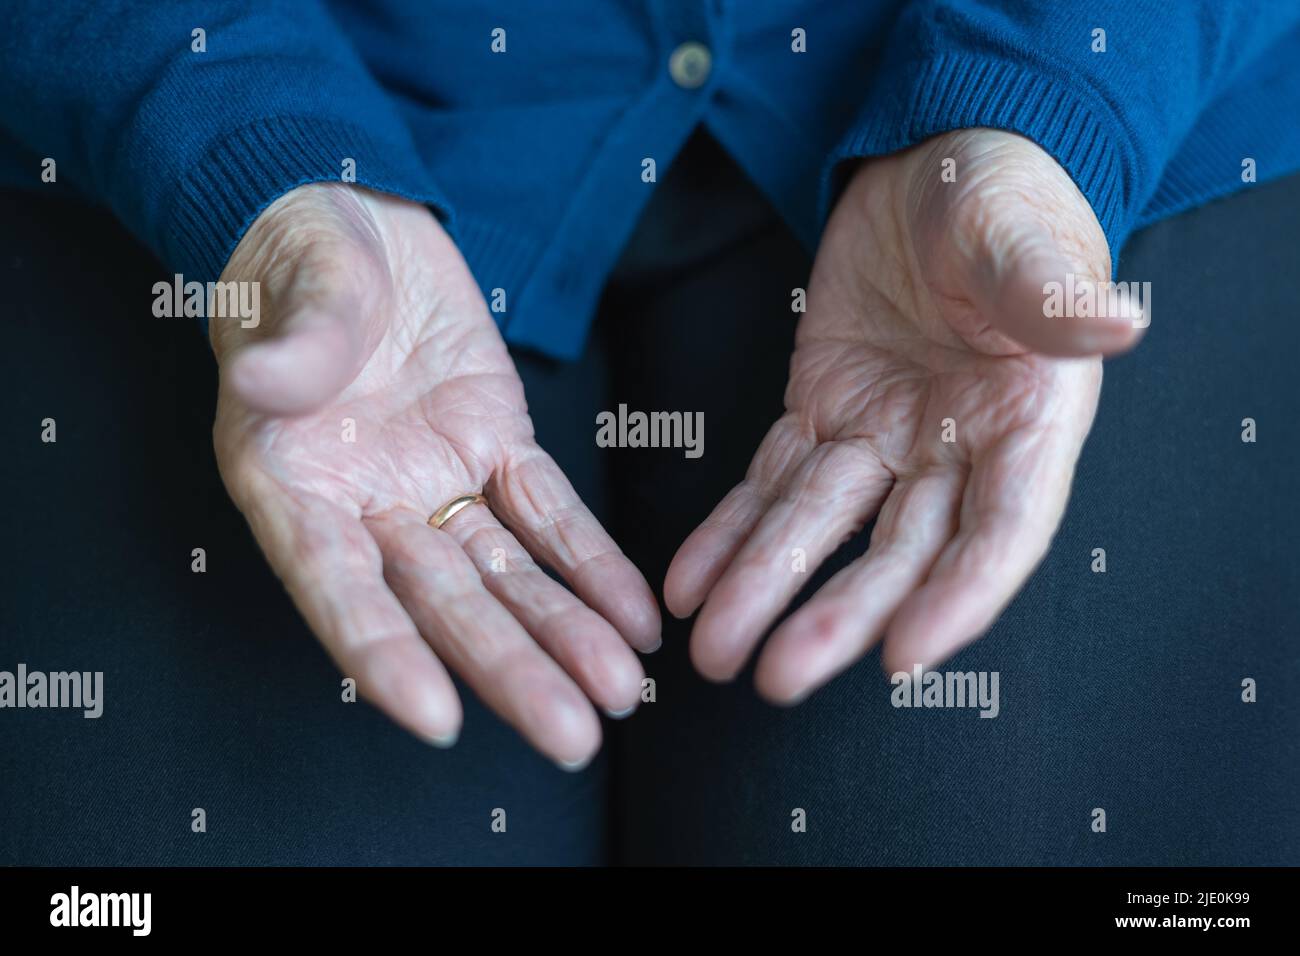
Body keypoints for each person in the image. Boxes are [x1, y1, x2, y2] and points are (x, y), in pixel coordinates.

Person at [1, 2, 1296, 865]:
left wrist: (1049, 106)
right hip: (216, 83)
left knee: (944, 825)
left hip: (1095, 72)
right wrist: (251, 161)